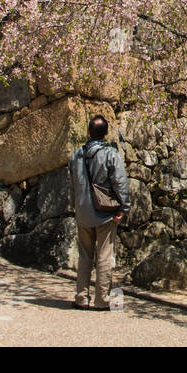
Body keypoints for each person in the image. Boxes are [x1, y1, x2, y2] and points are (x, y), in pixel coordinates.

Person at [68, 116, 130, 310]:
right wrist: (124, 207)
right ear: (105, 134)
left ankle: (81, 298)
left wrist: (76, 207)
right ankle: (102, 300)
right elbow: (120, 183)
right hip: (104, 212)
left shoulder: (76, 155)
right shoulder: (110, 154)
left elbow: (72, 184)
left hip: (83, 212)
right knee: (104, 256)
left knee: (84, 255)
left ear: (88, 132)